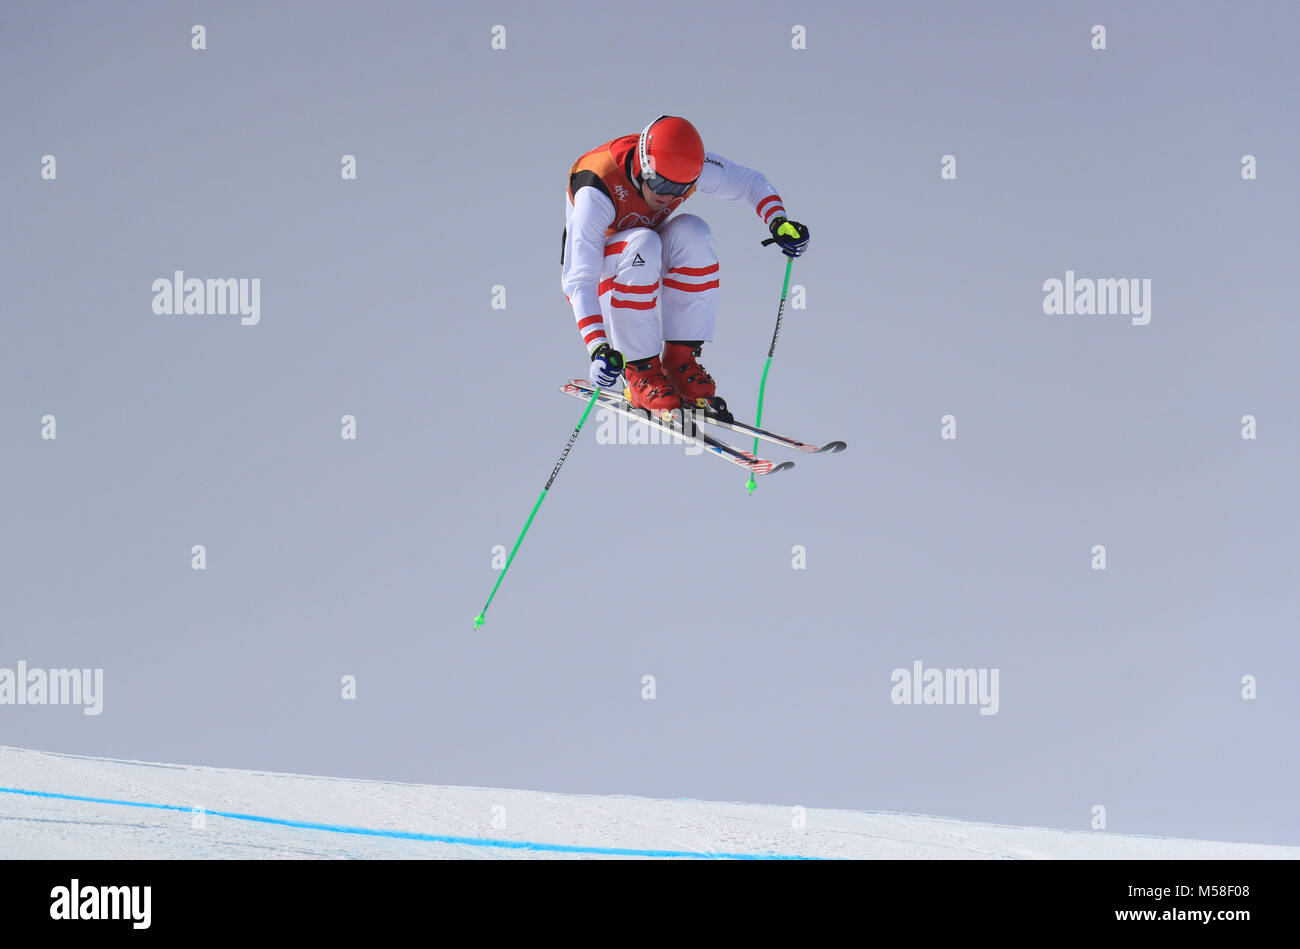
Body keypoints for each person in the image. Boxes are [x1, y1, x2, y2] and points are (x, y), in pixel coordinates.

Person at [561, 115, 809, 417]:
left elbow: (749, 183)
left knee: (694, 232)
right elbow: (578, 280)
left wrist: (778, 221)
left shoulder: (686, 166)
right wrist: (598, 348)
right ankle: (639, 371)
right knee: (643, 243)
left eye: (681, 190)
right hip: (605, 276)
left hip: (644, 260)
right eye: (660, 184)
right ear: (643, 166)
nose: (667, 196)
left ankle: (680, 362)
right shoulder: (597, 187)